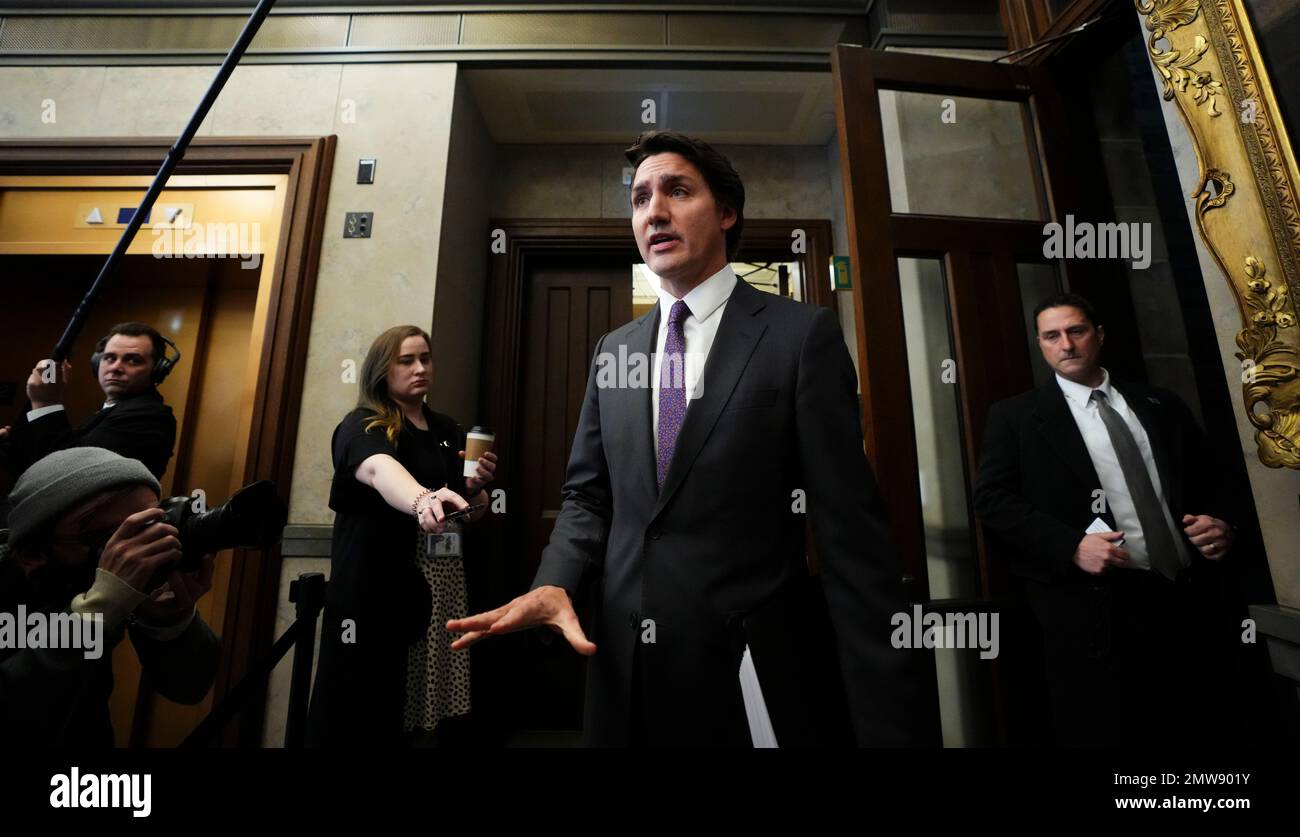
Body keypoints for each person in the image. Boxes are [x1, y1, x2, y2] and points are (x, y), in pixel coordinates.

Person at [449, 130, 931, 747]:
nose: (655, 210)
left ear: (727, 212)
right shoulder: (613, 351)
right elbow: (588, 497)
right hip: (624, 662)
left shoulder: (799, 336)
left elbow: (848, 530)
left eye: (678, 191)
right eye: (641, 198)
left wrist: (885, 710)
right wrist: (556, 579)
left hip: (746, 662)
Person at [973, 293, 1239, 746]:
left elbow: (1215, 479)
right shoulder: (1016, 417)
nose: (1066, 345)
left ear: (1099, 335)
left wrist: (1224, 525)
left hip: (1186, 598)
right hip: (1094, 609)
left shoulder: (1160, 403)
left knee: (1200, 724)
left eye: (1076, 331)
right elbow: (993, 500)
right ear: (1040, 344)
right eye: (1051, 336)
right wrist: (1070, 545)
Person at [307, 325, 498, 747]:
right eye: (406, 360)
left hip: (441, 583)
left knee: (429, 711)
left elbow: (469, 512)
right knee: (372, 706)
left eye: (425, 358)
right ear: (382, 370)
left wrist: (476, 489)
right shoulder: (362, 425)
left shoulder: (447, 428)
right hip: (377, 589)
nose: (419, 368)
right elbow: (379, 468)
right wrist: (420, 500)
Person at [0, 447, 220, 747]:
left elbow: (188, 689)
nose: (128, 552)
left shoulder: (90, 583)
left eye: (144, 526)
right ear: (32, 554)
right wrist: (94, 614)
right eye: (108, 538)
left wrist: (169, 623)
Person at [1, 322, 179, 480]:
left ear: (157, 370)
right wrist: (15, 443)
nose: (116, 367)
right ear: (97, 363)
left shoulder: (151, 417)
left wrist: (46, 401)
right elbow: (34, 464)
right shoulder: (109, 411)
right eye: (109, 358)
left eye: (133, 360)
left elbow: (61, 476)